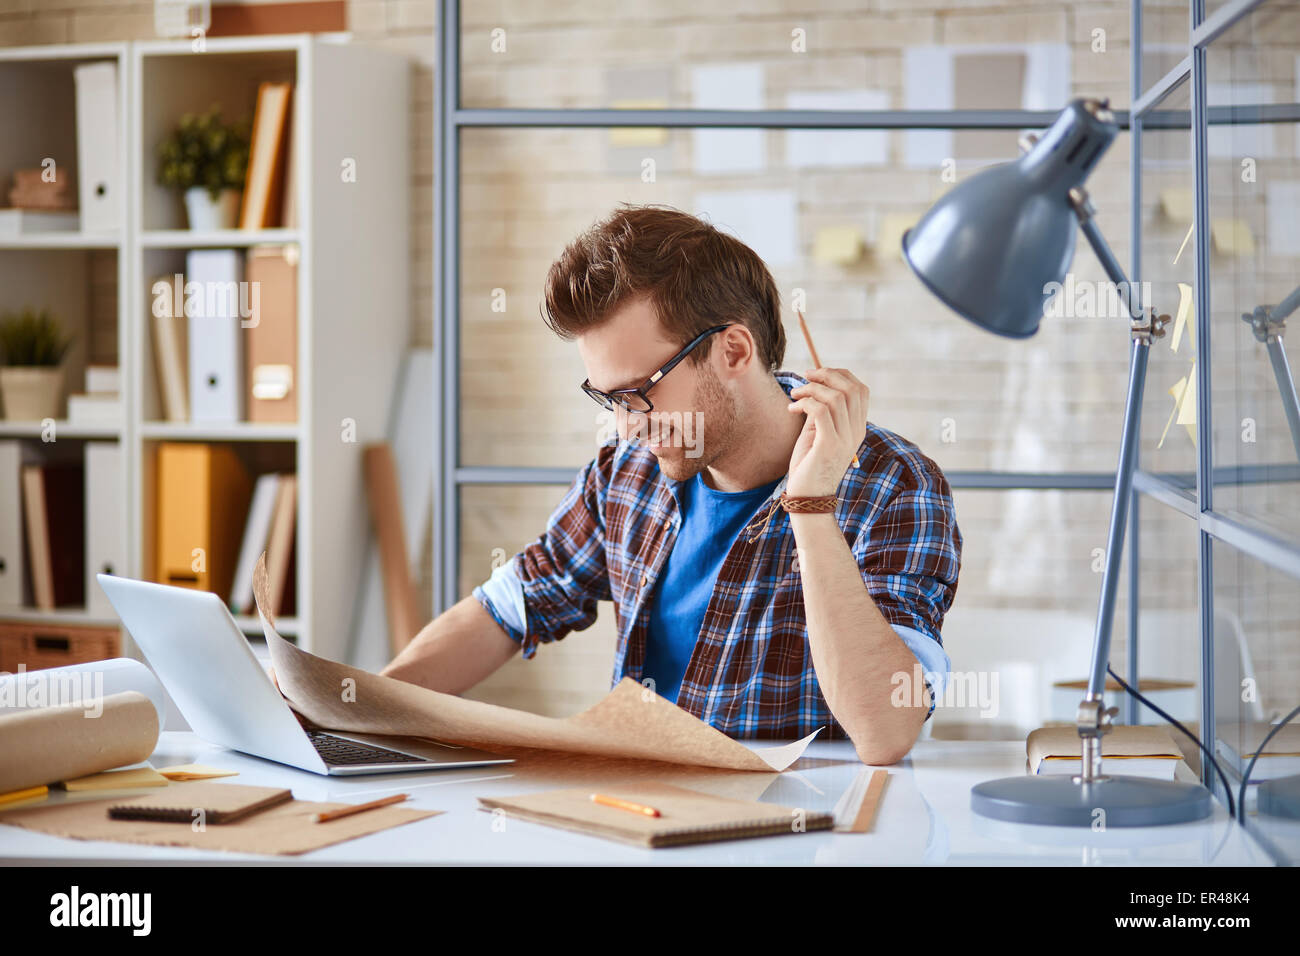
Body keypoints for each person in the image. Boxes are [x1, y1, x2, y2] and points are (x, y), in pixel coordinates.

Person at [383, 204, 962, 765]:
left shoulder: (894, 485)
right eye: (609, 399)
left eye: (641, 391)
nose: (626, 425)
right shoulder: (625, 473)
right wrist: (359, 711)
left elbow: (885, 729)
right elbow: (511, 606)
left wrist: (810, 506)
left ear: (733, 350)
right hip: (639, 814)